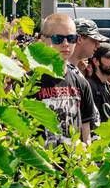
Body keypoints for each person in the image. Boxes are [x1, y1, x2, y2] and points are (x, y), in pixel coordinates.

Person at [33, 13, 99, 144]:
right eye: (58, 39)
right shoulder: (29, 81)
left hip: (72, 162)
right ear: (43, 40)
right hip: (38, 161)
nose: (65, 44)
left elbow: (86, 130)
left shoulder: (81, 83)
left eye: (71, 38)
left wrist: (86, 159)